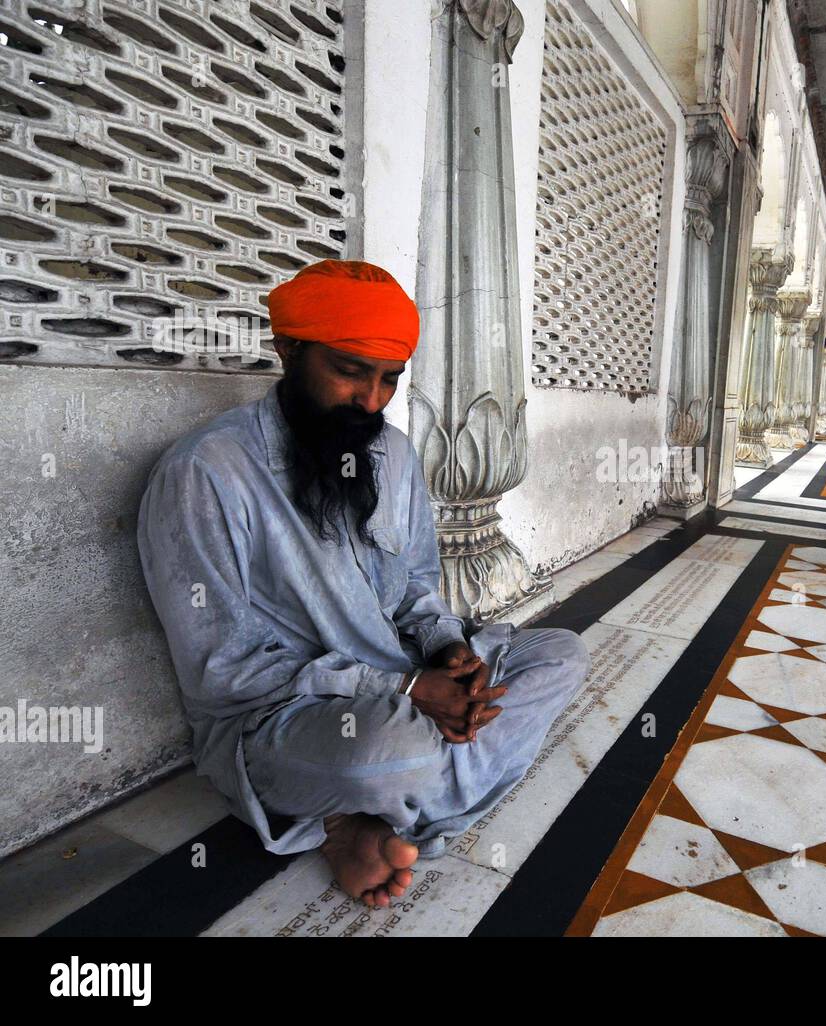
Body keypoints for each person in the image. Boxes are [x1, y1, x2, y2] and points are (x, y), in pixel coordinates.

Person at [137, 260, 591, 909]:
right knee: (395, 751)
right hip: (283, 720)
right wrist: (407, 689)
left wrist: (445, 652)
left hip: (405, 680)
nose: (372, 401)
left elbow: (413, 585)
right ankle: (384, 806)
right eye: (350, 371)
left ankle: (358, 825)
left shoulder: (394, 454)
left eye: (389, 380)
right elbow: (223, 672)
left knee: (560, 657)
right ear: (289, 348)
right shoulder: (204, 475)